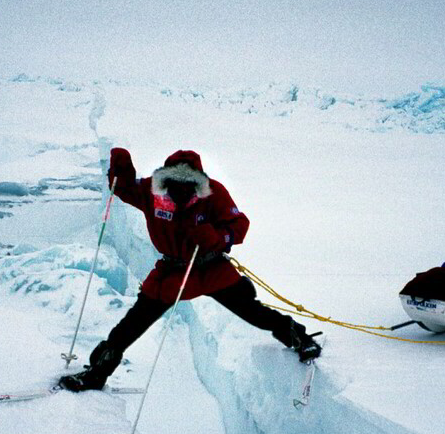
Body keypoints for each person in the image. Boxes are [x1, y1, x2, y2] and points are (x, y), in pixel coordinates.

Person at [58, 148, 321, 392]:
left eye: (188, 180)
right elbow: (125, 189)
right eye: (175, 180)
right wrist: (122, 171)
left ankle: (299, 337)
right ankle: (97, 374)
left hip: (211, 269)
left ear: (198, 179)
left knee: (252, 311)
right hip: (171, 274)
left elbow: (239, 226)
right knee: (132, 325)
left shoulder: (214, 193)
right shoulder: (153, 191)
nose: (181, 186)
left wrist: (217, 237)